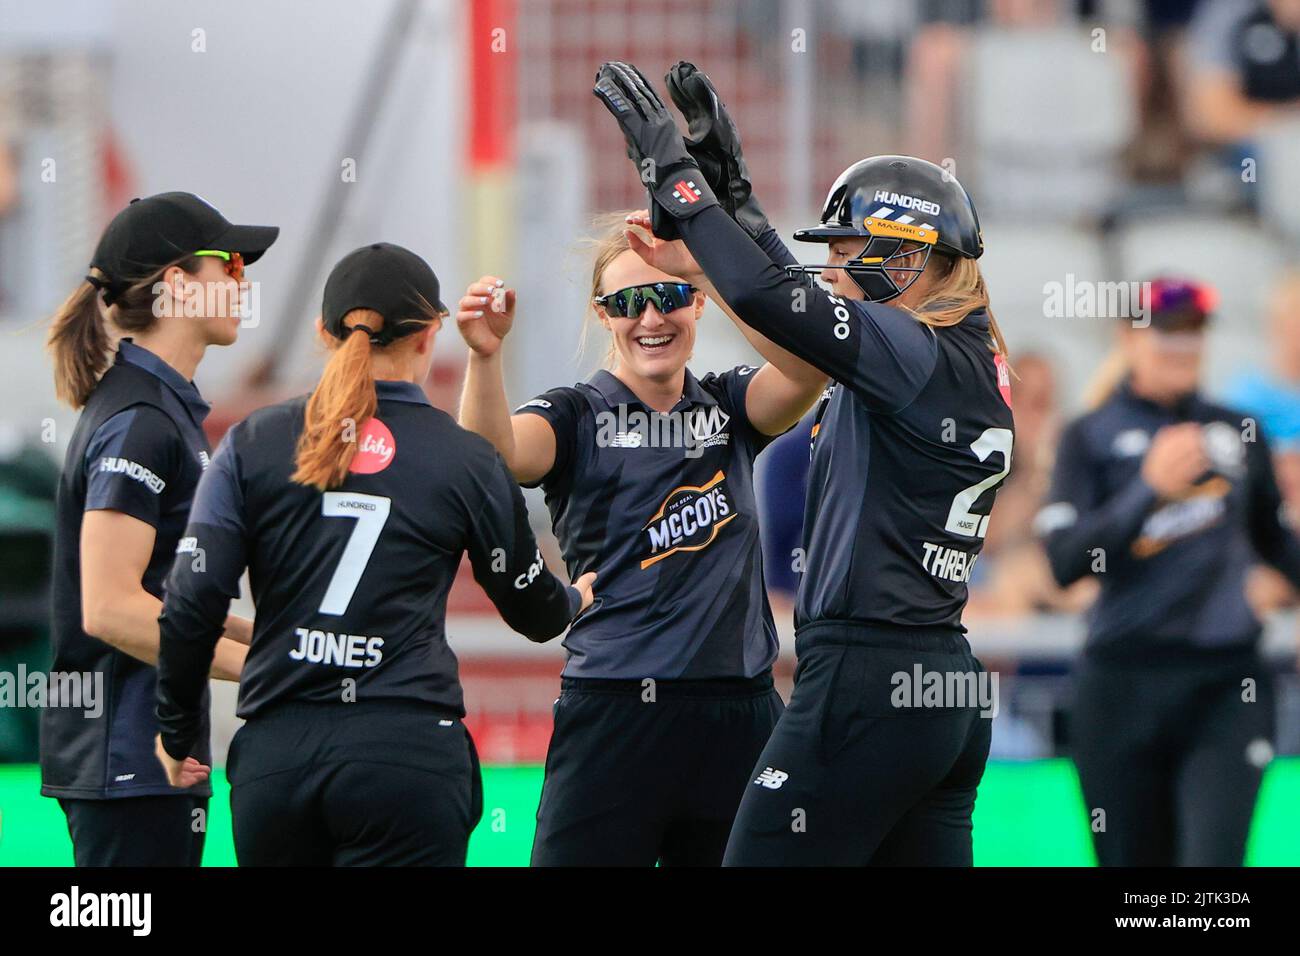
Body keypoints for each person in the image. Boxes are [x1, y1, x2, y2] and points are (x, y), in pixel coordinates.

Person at [595, 61, 1015, 865]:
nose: (834, 266)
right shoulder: (952, 354)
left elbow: (773, 301)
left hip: (868, 679)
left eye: (851, 249)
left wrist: (682, 183)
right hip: (940, 682)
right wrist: (736, 205)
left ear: (903, 257)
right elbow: (791, 316)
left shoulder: (913, 349)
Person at [154, 242, 594, 867]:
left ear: (322, 334)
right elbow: (533, 611)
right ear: (430, 335)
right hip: (408, 755)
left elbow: (191, 601)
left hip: (278, 759)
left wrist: (174, 731)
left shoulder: (255, 440)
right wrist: (574, 596)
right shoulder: (464, 457)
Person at [456, 204, 825, 866]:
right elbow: (492, 456)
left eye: (670, 295)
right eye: (629, 302)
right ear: (603, 314)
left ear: (698, 303)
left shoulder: (730, 407)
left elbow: (808, 367)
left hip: (735, 713)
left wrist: (712, 271)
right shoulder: (574, 415)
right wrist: (485, 358)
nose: (651, 318)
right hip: (616, 716)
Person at [43, 191, 276, 867]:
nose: (244, 281)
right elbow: (111, 607)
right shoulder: (141, 419)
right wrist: (268, 671)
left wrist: (291, 647)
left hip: (145, 757)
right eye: (229, 264)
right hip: (127, 757)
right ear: (176, 286)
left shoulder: (159, 408)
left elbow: (166, 600)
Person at [1038, 276, 1300, 866]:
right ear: (1127, 338)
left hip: (1226, 683)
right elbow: (1063, 564)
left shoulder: (1239, 430)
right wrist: (1148, 491)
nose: (1181, 347)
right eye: (1165, 332)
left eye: (1193, 334)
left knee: (1211, 872)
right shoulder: (1089, 436)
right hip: (1120, 684)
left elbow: (1276, 545)